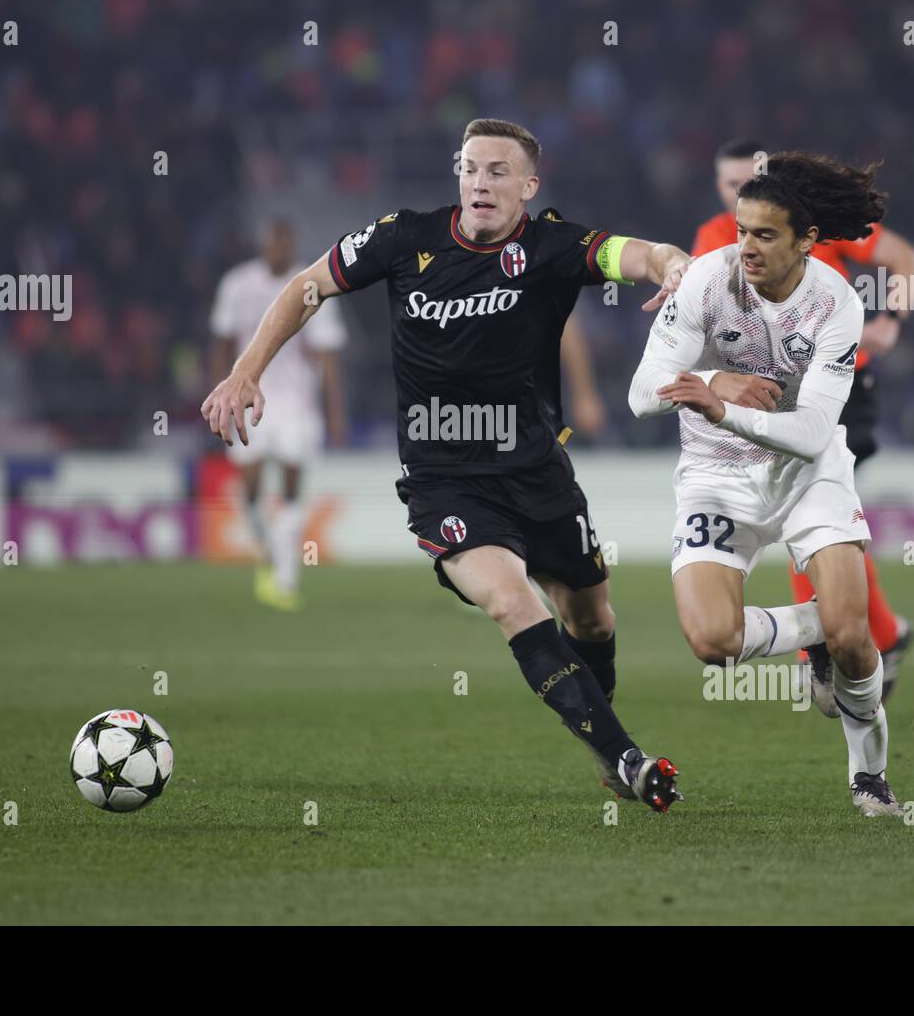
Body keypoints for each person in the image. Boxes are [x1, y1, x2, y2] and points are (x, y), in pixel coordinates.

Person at [202, 119, 693, 811]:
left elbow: (635, 254)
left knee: (593, 619)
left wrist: (673, 264)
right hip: (444, 480)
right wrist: (245, 371)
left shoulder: (550, 245)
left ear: (529, 185)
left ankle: (599, 727)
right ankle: (625, 757)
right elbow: (308, 286)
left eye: (498, 171)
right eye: (470, 168)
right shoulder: (404, 237)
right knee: (507, 597)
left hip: (536, 472)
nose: (481, 183)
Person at [629, 151, 901, 817]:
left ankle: (869, 775)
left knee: (854, 643)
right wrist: (716, 384)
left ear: (806, 240)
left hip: (808, 472)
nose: (744, 246)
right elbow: (640, 395)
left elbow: (811, 433)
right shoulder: (704, 281)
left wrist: (728, 408)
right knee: (712, 641)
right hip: (715, 476)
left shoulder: (837, 303)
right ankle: (823, 629)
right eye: (741, 229)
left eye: (764, 234)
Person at [692, 138, 914, 701]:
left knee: (811, 512)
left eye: (743, 183)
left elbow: (910, 262)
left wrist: (891, 319)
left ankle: (821, 649)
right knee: (827, 521)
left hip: (841, 390)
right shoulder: (713, 241)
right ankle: (884, 633)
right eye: (726, 187)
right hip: (770, 394)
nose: (735, 198)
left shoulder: (810, 227)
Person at [208, 219, 347, 610]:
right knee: (250, 490)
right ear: (264, 244)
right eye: (274, 241)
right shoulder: (237, 284)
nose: (280, 249)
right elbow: (220, 341)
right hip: (248, 398)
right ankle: (269, 552)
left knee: (290, 487)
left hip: (296, 404)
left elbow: (328, 355)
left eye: (287, 242)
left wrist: (335, 412)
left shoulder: (312, 284)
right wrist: (221, 392)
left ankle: (284, 579)